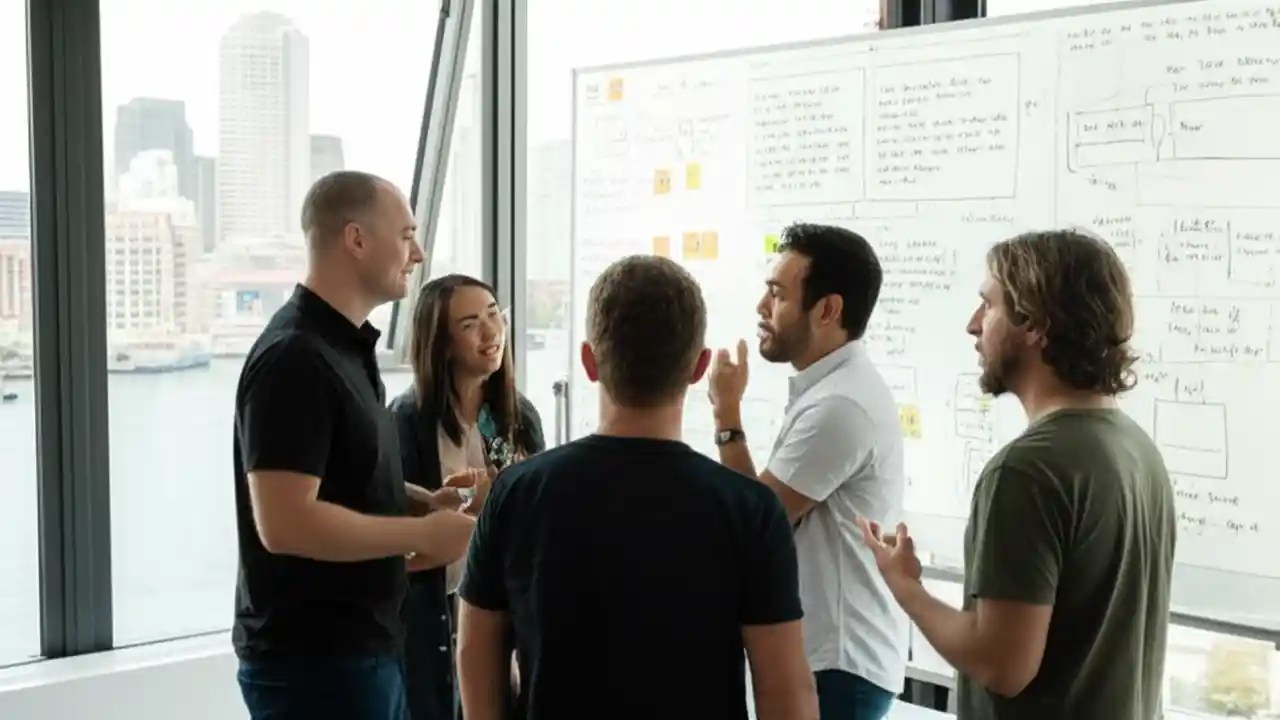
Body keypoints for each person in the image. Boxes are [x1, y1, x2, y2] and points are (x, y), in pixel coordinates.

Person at [456, 255, 819, 720]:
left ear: (589, 361)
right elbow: (786, 692)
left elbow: (475, 650)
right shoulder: (749, 509)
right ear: (699, 367)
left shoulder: (517, 492)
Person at [859, 229, 1176, 719]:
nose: (972, 325)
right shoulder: (1136, 448)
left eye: (988, 305)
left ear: (1034, 323)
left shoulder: (1026, 471)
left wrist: (905, 586)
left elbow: (1002, 664)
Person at [231, 170, 476, 720]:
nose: (418, 252)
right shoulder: (295, 358)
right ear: (356, 239)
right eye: (407, 234)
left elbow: (343, 472)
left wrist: (422, 500)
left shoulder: (345, 348)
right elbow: (285, 523)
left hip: (363, 654)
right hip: (316, 665)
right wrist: (422, 534)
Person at [708, 222, 908, 718]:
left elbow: (761, 523)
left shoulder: (840, 405)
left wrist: (726, 415)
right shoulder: (832, 389)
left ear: (827, 309)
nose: (761, 307)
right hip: (827, 657)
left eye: (777, 294)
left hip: (837, 663)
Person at [390, 273, 546, 720]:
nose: (492, 332)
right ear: (440, 342)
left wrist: (490, 502)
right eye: (471, 323)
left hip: (504, 614)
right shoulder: (408, 421)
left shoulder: (517, 416)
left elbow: (538, 526)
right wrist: (464, 510)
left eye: (495, 316)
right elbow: (402, 535)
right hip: (430, 618)